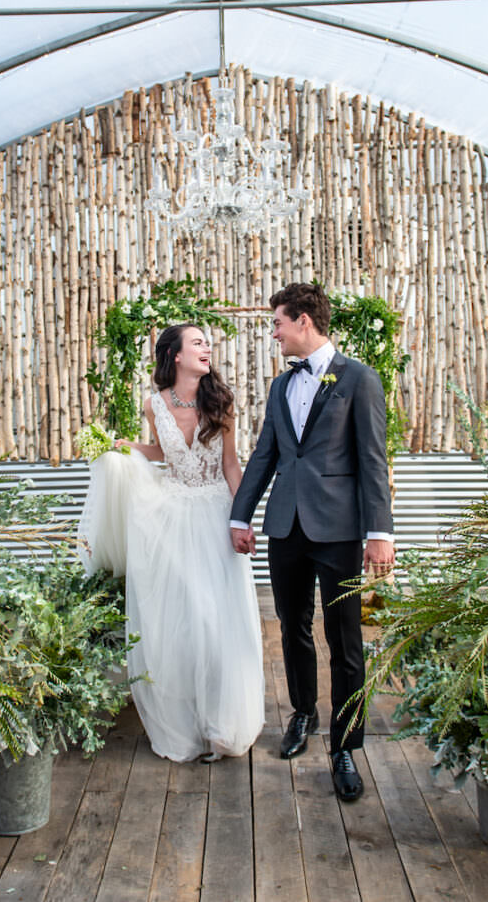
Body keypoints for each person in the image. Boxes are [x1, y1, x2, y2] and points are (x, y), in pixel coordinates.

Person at [229, 282, 395, 802]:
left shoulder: (360, 380)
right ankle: (302, 714)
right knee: (292, 629)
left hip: (340, 531)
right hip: (286, 529)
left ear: (303, 321)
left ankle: (345, 746)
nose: (273, 332)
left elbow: (372, 460)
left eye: (278, 322)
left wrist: (379, 533)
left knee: (345, 640)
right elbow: (264, 457)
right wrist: (241, 517)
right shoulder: (281, 388)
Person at [78, 324, 264, 763]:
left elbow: (232, 465)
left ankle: (223, 726)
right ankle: (188, 722)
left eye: (207, 343)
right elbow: (164, 453)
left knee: (220, 623)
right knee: (184, 622)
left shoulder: (221, 402)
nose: (207, 348)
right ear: (175, 355)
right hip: (174, 517)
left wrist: (243, 519)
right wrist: (128, 449)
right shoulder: (153, 404)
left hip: (216, 516)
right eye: (197, 342)